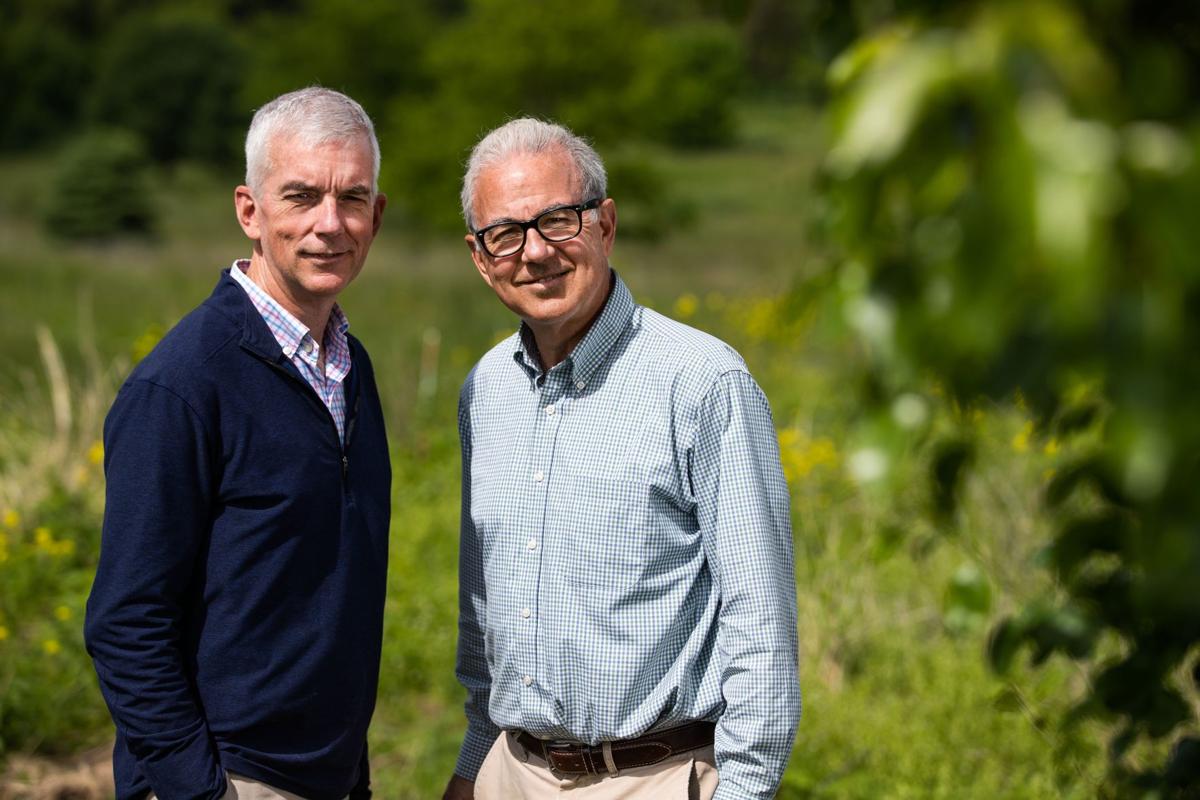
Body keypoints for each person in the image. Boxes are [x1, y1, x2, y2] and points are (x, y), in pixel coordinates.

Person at [442, 118, 800, 800]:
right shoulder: (484, 390)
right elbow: (483, 611)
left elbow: (762, 627)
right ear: (480, 257)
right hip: (510, 775)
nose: (536, 252)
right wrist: (475, 763)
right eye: (506, 234)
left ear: (604, 225)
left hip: (655, 778)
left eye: (558, 220)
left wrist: (746, 790)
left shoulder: (701, 382)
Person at [84, 87, 391, 800]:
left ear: (376, 215)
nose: (329, 224)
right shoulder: (182, 384)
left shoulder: (350, 367)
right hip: (231, 776)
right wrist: (199, 789)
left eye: (352, 198)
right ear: (249, 211)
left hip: (333, 776)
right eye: (300, 196)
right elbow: (126, 624)